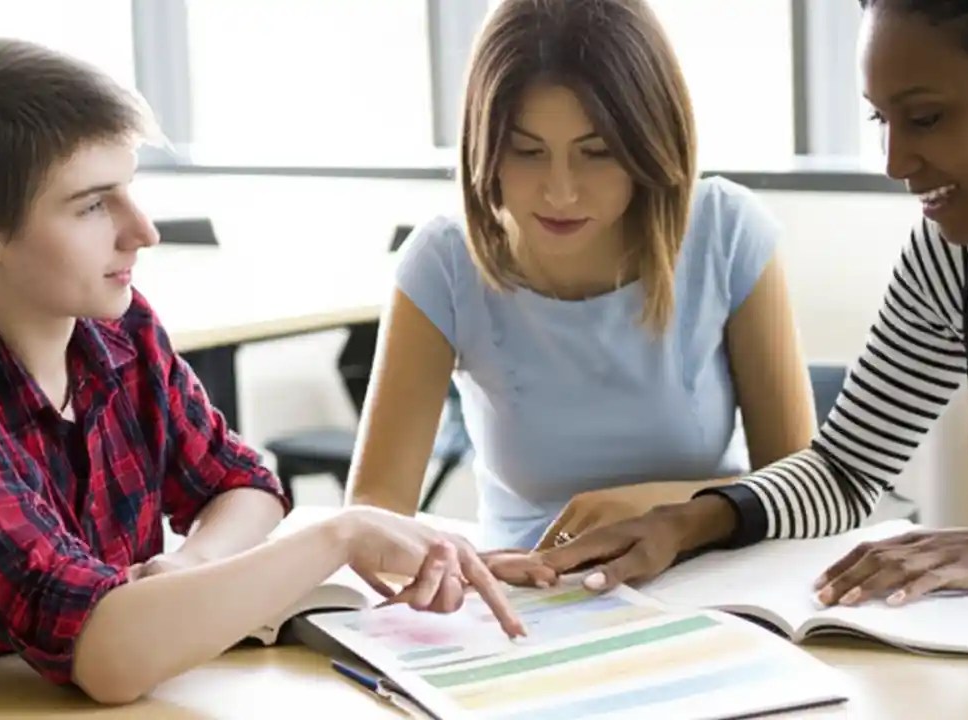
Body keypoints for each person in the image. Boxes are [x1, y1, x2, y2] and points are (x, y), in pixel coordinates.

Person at [502, 0, 968, 603]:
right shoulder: (955, 257)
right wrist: (689, 523)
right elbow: (846, 470)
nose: (893, 163)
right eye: (882, 120)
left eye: (926, 117)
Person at [0, 37, 522, 704]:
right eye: (92, 205)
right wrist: (341, 532)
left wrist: (191, 564)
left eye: (130, 190)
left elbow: (242, 483)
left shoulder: (120, 334)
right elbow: (106, 656)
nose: (144, 230)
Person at [345, 0, 814, 551]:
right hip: (528, 598)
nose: (561, 191)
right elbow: (373, 514)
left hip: (709, 582)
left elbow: (802, 490)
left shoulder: (727, 232)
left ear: (649, 143)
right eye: (527, 151)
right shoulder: (443, 262)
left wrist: (663, 508)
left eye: (596, 153)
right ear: (486, 147)